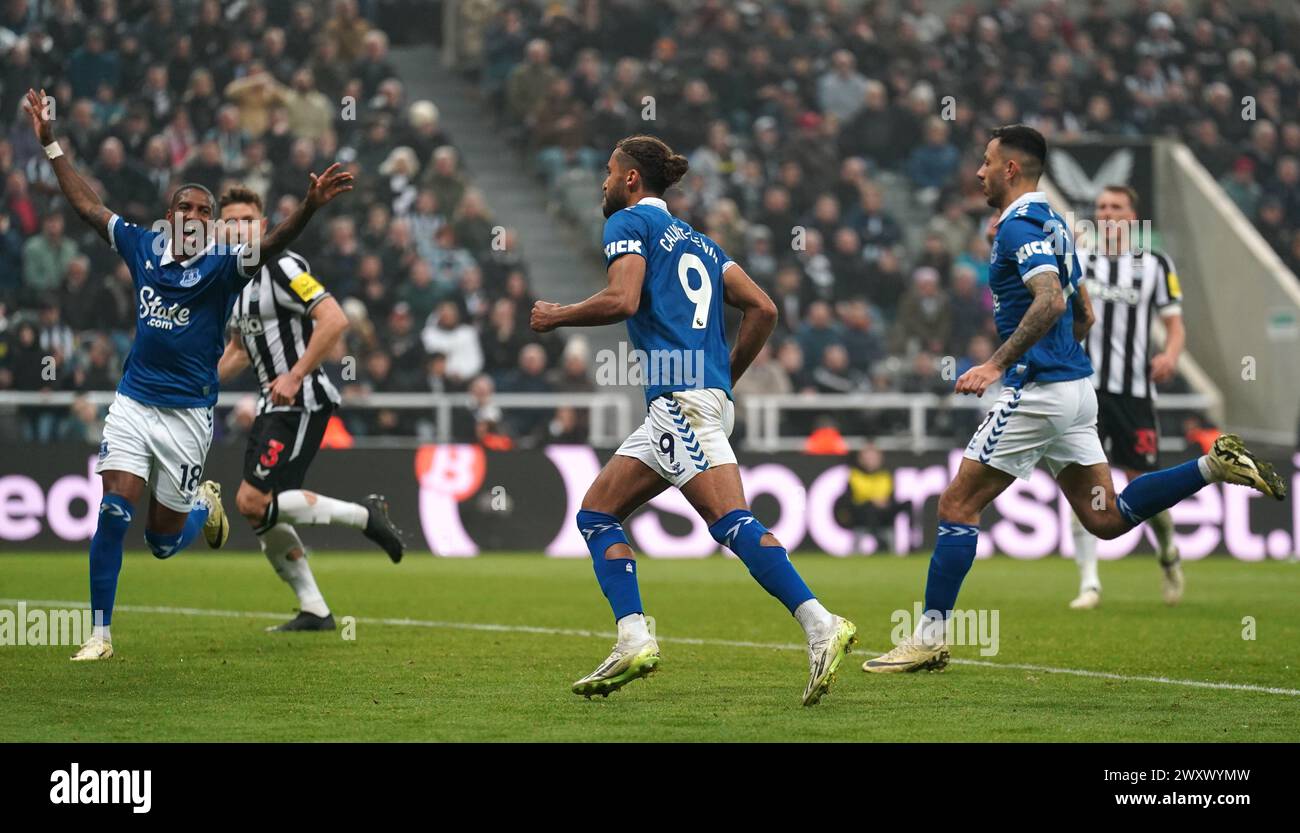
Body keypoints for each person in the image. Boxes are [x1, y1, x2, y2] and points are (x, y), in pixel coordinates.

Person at [862, 125, 1285, 674]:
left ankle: (928, 638)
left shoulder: (1019, 226)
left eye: (986, 162)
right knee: (1105, 519)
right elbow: (1084, 311)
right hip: (1077, 391)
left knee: (956, 506)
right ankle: (1212, 464)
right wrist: (1062, 367)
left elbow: (1051, 302)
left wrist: (998, 364)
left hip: (1039, 392)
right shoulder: (1058, 225)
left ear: (1011, 169)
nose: (978, 172)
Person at [24, 88, 353, 661]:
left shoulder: (225, 267)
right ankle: (99, 635)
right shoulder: (141, 246)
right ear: (170, 216)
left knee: (161, 543)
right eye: (189, 208)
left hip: (186, 418)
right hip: (132, 403)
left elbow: (274, 241)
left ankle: (202, 504)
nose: (198, 217)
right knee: (112, 511)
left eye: (206, 211)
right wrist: (51, 143)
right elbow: (87, 206)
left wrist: (309, 208)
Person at [530, 135, 857, 706]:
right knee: (596, 512)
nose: (602, 184)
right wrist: (724, 375)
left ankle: (820, 623)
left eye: (608, 173)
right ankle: (632, 636)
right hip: (693, 400)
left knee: (730, 521)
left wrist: (560, 316)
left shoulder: (627, 223)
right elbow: (765, 308)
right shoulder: (702, 244)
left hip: (681, 400)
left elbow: (623, 299)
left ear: (631, 181)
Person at [216, 186, 406, 633]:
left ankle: (365, 517)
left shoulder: (282, 266)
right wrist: (194, 384)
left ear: (262, 226)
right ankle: (315, 610)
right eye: (229, 222)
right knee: (258, 510)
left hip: (300, 400)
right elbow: (239, 351)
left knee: (251, 500)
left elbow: (334, 318)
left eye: (247, 219)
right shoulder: (232, 285)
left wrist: (295, 373)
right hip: (272, 403)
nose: (238, 228)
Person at [1071, 184, 1187, 609]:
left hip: (1136, 394)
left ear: (1132, 215)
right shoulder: (1081, 260)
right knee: (1084, 484)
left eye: (1116, 207)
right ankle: (1089, 583)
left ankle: (1168, 550)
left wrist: (1171, 355)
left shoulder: (1156, 265)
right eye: (1101, 207)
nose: (1107, 213)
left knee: (1144, 486)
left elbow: (1174, 324)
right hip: (1086, 392)